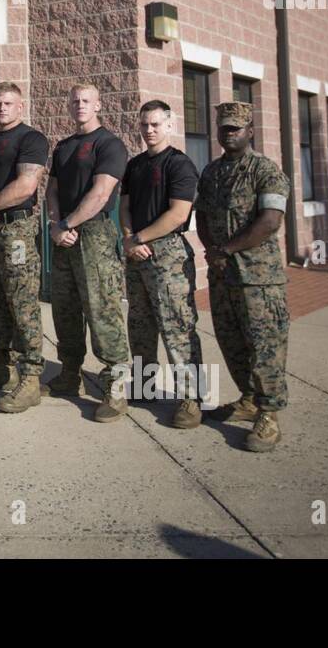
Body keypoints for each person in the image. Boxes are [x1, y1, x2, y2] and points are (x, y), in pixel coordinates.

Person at [195, 101, 292, 452]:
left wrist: (228, 250)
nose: (229, 133)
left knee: (265, 346)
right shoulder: (212, 172)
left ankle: (268, 413)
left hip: (258, 278)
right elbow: (202, 215)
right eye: (224, 128)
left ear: (250, 131)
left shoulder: (266, 170)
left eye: (236, 128)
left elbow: (269, 221)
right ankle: (249, 398)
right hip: (224, 276)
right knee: (230, 340)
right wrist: (212, 250)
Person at [47, 82, 131, 422]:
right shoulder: (64, 146)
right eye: (75, 101)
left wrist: (66, 224)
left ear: (98, 105)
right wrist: (56, 225)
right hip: (63, 235)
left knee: (102, 310)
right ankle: (70, 374)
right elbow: (51, 191)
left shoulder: (109, 144)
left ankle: (116, 387)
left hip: (94, 234)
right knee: (65, 310)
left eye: (86, 101)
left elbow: (100, 194)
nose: (79, 105)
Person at [120, 100, 203, 428]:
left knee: (178, 328)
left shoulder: (179, 165)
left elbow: (178, 214)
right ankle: (143, 386)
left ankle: (192, 399)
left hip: (168, 254)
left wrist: (139, 238)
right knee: (139, 325)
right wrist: (128, 237)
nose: (149, 131)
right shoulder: (135, 165)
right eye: (144, 125)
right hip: (136, 251)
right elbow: (124, 205)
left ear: (169, 125)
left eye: (155, 124)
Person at [0, 81, 50, 413]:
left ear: (21, 106)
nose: (2, 108)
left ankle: (30, 376)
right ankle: (1, 367)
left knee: (22, 302)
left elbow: (26, 185)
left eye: (8, 103)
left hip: (17, 229)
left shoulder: (31, 139)